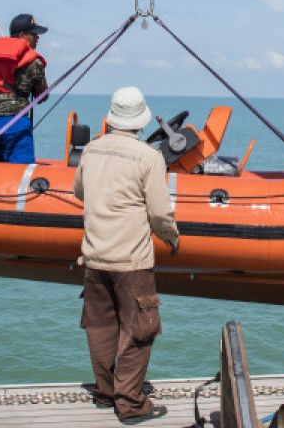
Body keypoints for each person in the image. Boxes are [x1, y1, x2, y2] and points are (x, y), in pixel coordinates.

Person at [73, 86, 180, 425]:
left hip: (94, 258)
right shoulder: (149, 157)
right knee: (138, 331)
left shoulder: (91, 151)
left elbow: (79, 190)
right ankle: (130, 404)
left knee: (100, 328)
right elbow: (160, 213)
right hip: (131, 262)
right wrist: (171, 238)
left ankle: (106, 393)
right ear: (142, 120)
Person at [0, 13, 49, 164]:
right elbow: (42, 96)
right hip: (15, 124)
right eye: (34, 34)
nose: (38, 37)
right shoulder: (34, 62)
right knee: (20, 173)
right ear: (22, 35)